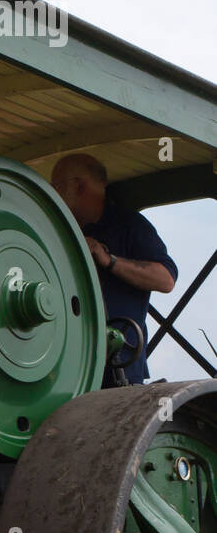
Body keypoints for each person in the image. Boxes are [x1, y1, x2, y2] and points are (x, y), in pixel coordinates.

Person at [50, 153, 177, 384]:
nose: (52, 194)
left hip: (118, 369)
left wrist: (110, 261)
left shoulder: (129, 226)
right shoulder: (57, 231)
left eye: (56, 186)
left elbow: (165, 279)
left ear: (78, 186)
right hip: (66, 367)